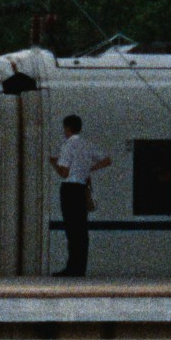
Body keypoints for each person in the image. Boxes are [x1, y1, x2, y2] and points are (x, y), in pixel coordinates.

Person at [54, 114, 109, 275]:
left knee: (71, 230)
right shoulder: (87, 144)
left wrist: (53, 164)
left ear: (67, 128)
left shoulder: (68, 146)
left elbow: (64, 172)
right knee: (82, 230)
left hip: (69, 189)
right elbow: (107, 160)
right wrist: (89, 169)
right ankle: (80, 268)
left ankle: (72, 268)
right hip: (82, 188)